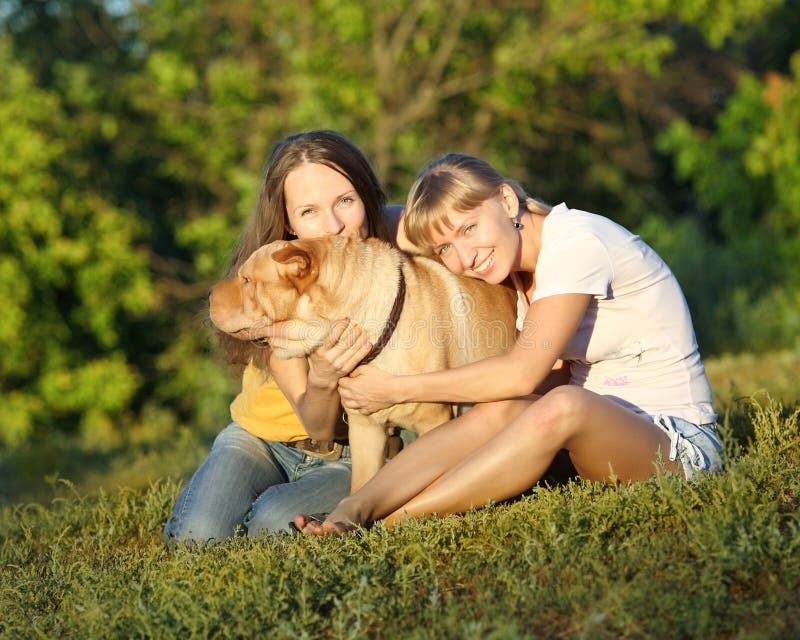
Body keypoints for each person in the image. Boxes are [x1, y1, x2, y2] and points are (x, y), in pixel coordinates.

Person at [294, 152, 722, 535]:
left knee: (559, 403)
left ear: (507, 200)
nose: (465, 257)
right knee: (503, 409)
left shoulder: (577, 243)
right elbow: (398, 232)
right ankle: (350, 511)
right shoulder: (519, 274)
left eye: (470, 227)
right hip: (595, 445)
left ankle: (391, 523)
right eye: (446, 247)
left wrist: (395, 389)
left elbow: (522, 372)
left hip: (677, 448)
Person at [163, 129, 401, 544]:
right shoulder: (275, 272)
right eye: (309, 211)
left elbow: (464, 214)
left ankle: (288, 508)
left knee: (270, 527)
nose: (332, 226)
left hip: (353, 453)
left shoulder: (392, 240)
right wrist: (325, 376)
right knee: (195, 538)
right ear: (287, 221)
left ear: (366, 195)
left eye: (345, 201)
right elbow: (319, 422)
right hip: (260, 439)